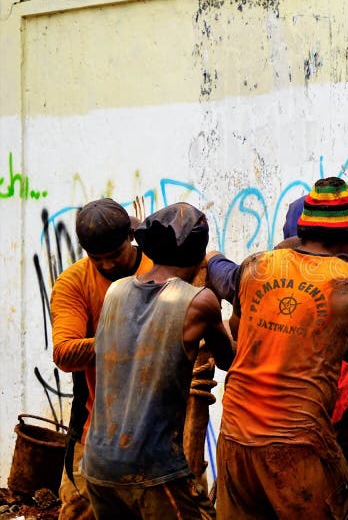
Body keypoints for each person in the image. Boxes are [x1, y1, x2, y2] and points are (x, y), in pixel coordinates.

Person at [206, 195, 348, 519]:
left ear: (297, 235)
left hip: (235, 434)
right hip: (299, 440)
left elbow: (236, 335)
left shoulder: (257, 267)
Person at [80, 202, 234, 519]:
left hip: (97, 463)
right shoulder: (199, 300)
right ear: (198, 255)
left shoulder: (116, 291)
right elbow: (228, 358)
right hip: (152, 467)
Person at [51, 198, 153, 520]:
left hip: (159, 432)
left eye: (114, 255)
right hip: (96, 428)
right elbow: (64, 353)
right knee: (77, 510)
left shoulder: (159, 268)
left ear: (130, 239)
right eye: (98, 259)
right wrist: (125, 337)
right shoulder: (74, 282)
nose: (107, 265)